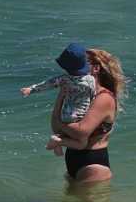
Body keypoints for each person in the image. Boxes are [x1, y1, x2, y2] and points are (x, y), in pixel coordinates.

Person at [48, 45, 126, 185]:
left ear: (95, 68)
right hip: (73, 157)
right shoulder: (75, 93)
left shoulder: (104, 98)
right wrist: (61, 95)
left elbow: (80, 132)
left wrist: (62, 125)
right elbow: (55, 127)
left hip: (93, 164)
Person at [20, 42, 98, 156]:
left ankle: (58, 143)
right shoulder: (91, 80)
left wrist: (30, 89)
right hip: (80, 116)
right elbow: (93, 95)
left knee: (63, 131)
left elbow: (47, 84)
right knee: (82, 143)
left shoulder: (63, 79)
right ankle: (58, 142)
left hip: (65, 115)